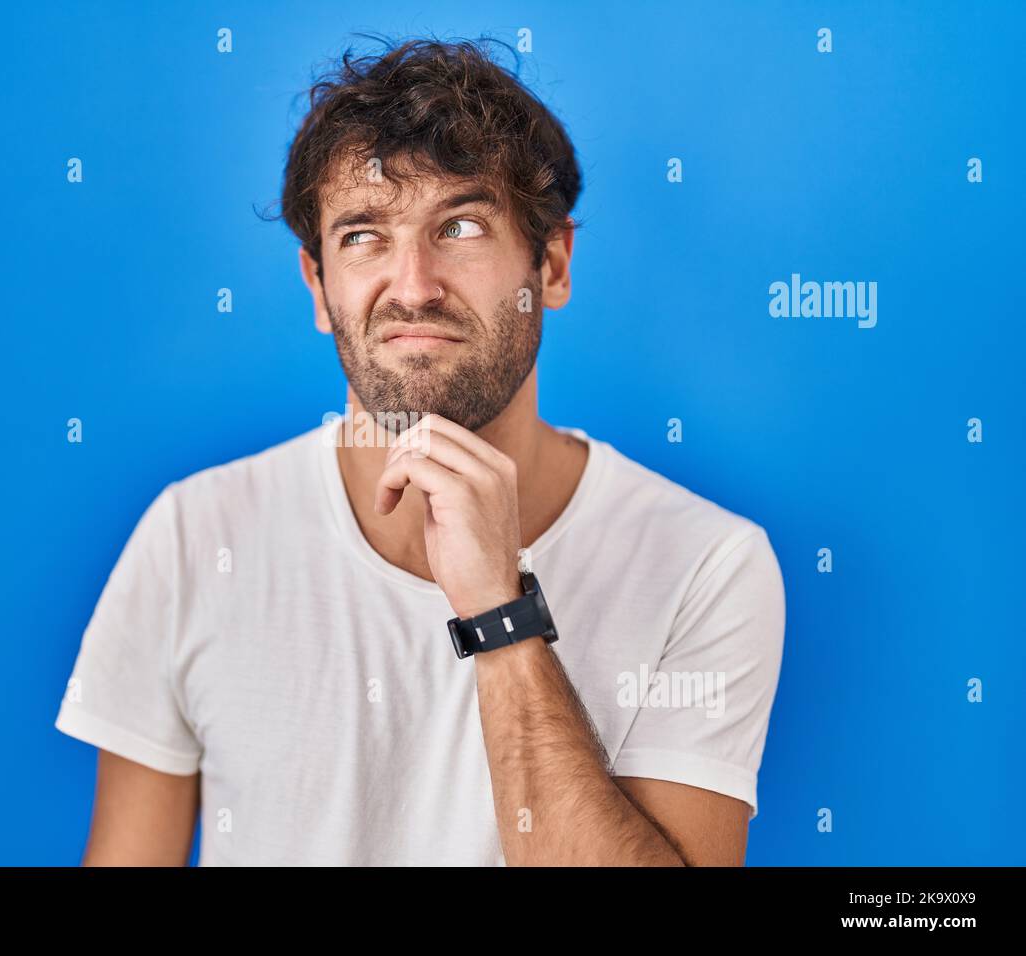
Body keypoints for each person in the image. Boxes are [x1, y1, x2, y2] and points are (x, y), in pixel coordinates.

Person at [55, 37, 785, 866]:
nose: (412, 285)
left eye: (461, 226)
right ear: (319, 288)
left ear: (549, 265)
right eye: (364, 235)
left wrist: (500, 617)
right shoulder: (195, 536)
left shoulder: (705, 562)